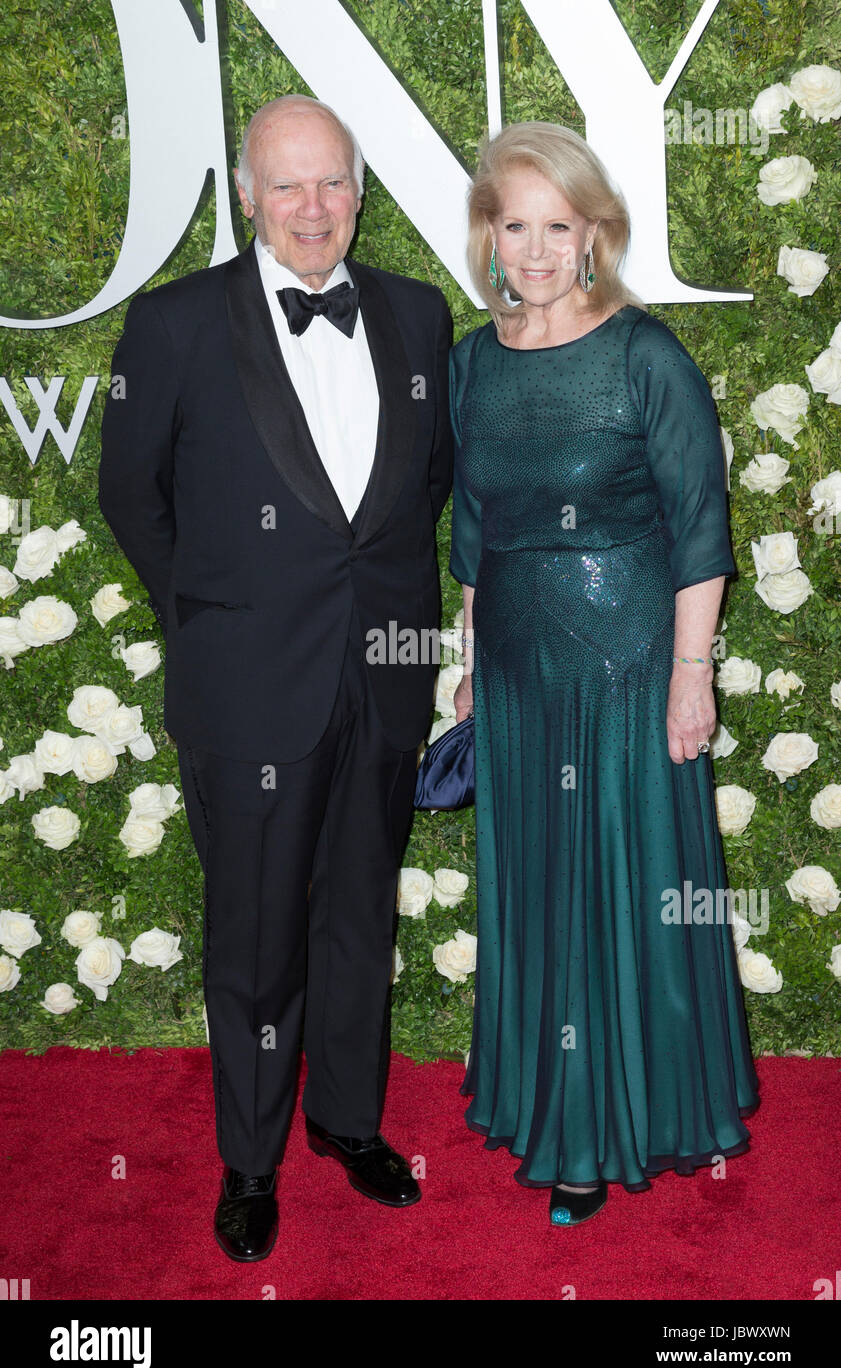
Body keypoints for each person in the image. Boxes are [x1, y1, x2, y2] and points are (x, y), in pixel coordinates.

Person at [99, 95, 453, 1261]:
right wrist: (217, 614)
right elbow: (130, 497)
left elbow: (428, 489)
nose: (313, 208)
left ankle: (348, 1124)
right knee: (254, 936)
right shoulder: (174, 324)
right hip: (249, 683)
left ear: (361, 191)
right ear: (246, 195)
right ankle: (249, 1162)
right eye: (287, 185)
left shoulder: (415, 315)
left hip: (384, 676)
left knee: (360, 914)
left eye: (333, 183)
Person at [448, 121, 760, 1226]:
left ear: (593, 236)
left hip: (630, 677)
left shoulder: (644, 356)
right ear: (490, 234)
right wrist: (469, 653)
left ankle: (612, 1126)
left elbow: (700, 531)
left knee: (619, 890)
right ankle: (549, 1101)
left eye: (557, 226)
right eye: (514, 224)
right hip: (523, 681)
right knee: (540, 889)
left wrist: (691, 674)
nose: (534, 249)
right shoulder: (472, 361)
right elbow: (476, 521)